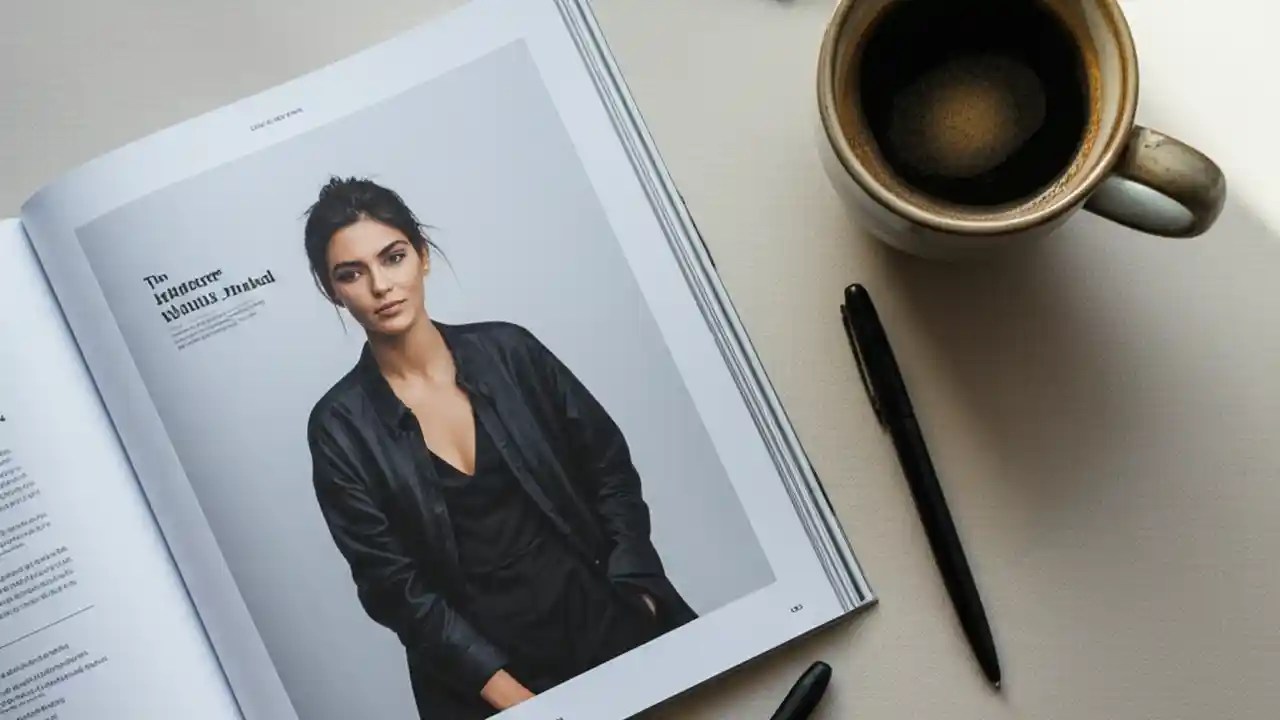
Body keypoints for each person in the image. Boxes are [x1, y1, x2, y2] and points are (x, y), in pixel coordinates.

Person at [303, 177, 696, 719]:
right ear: (332, 291)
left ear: (422, 257)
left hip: (611, 628)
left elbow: (609, 469)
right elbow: (392, 586)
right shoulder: (339, 427)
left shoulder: (509, 352)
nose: (379, 286)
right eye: (351, 273)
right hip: (485, 683)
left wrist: (638, 592)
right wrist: (512, 701)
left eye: (392, 258)